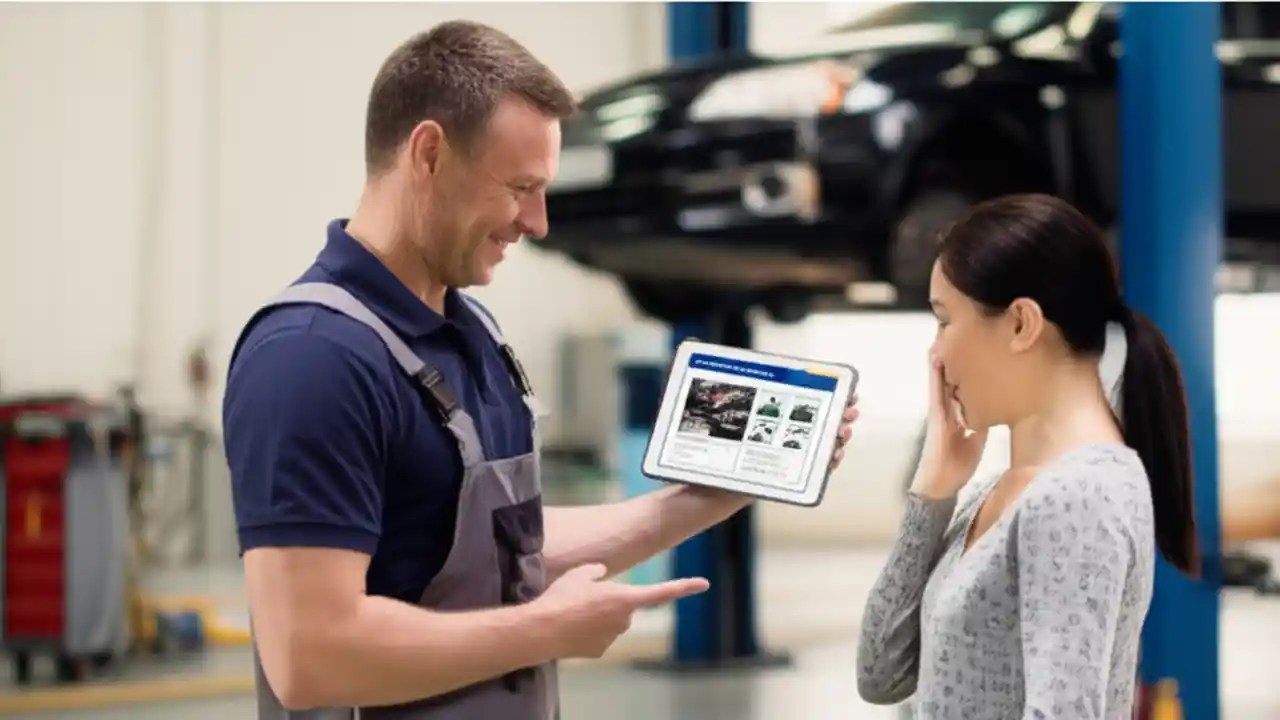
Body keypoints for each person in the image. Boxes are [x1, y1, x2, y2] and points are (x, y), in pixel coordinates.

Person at [222, 20, 859, 720]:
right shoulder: (311, 359)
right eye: (521, 186)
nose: (539, 222)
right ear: (429, 153)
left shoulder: (472, 332)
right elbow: (310, 657)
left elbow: (499, 557)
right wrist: (547, 630)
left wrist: (716, 493)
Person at [856, 193, 1199, 719]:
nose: (936, 353)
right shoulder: (1003, 489)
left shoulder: (1077, 496)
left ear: (1021, 324)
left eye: (946, 321)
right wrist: (934, 491)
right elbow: (881, 674)